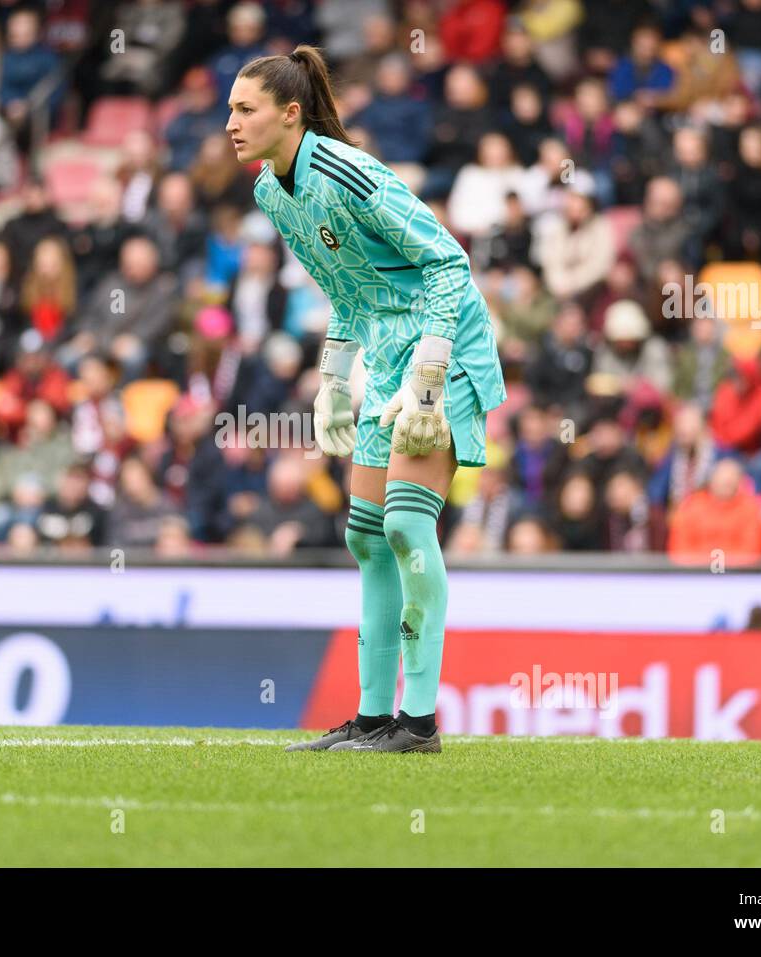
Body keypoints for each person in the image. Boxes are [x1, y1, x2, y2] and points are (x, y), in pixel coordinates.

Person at [228, 45, 506, 753]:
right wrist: (331, 379)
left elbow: (448, 261)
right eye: (231, 109)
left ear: (290, 115)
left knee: (409, 529)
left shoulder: (349, 171)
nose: (229, 122)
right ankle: (373, 715)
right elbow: (348, 291)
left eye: (244, 109)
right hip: (383, 356)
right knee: (365, 535)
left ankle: (419, 723)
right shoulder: (269, 191)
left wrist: (430, 375)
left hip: (444, 346)